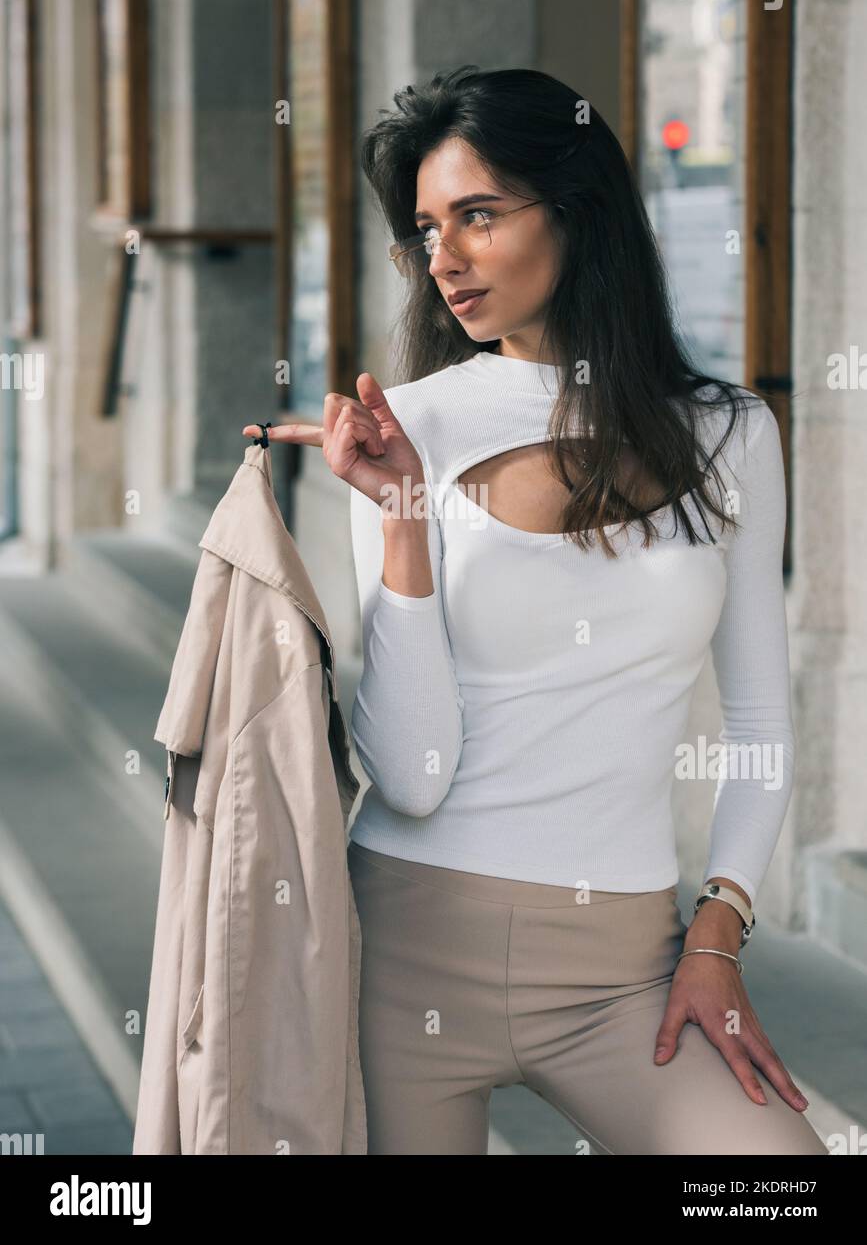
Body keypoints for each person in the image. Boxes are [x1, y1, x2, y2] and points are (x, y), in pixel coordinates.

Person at [244, 66, 828, 1156]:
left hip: (625, 973)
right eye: (426, 228)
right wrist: (404, 518)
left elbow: (757, 724)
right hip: (407, 956)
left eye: (477, 215)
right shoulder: (406, 428)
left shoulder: (732, 432)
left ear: (576, 209)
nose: (444, 257)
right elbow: (413, 774)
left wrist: (720, 930)